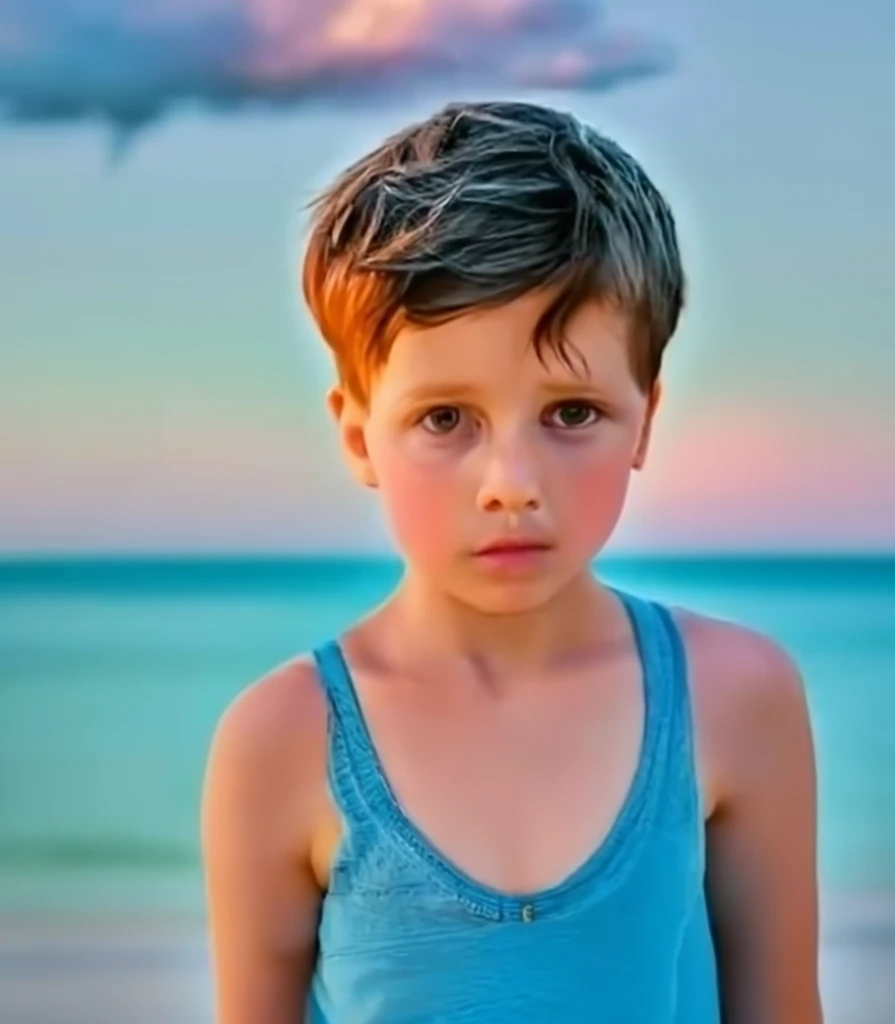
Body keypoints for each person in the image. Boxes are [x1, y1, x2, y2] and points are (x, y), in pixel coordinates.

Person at [200, 100, 822, 1024]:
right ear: (360, 436)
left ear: (644, 419)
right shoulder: (282, 741)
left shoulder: (736, 697)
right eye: (445, 419)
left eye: (571, 413)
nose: (511, 484)